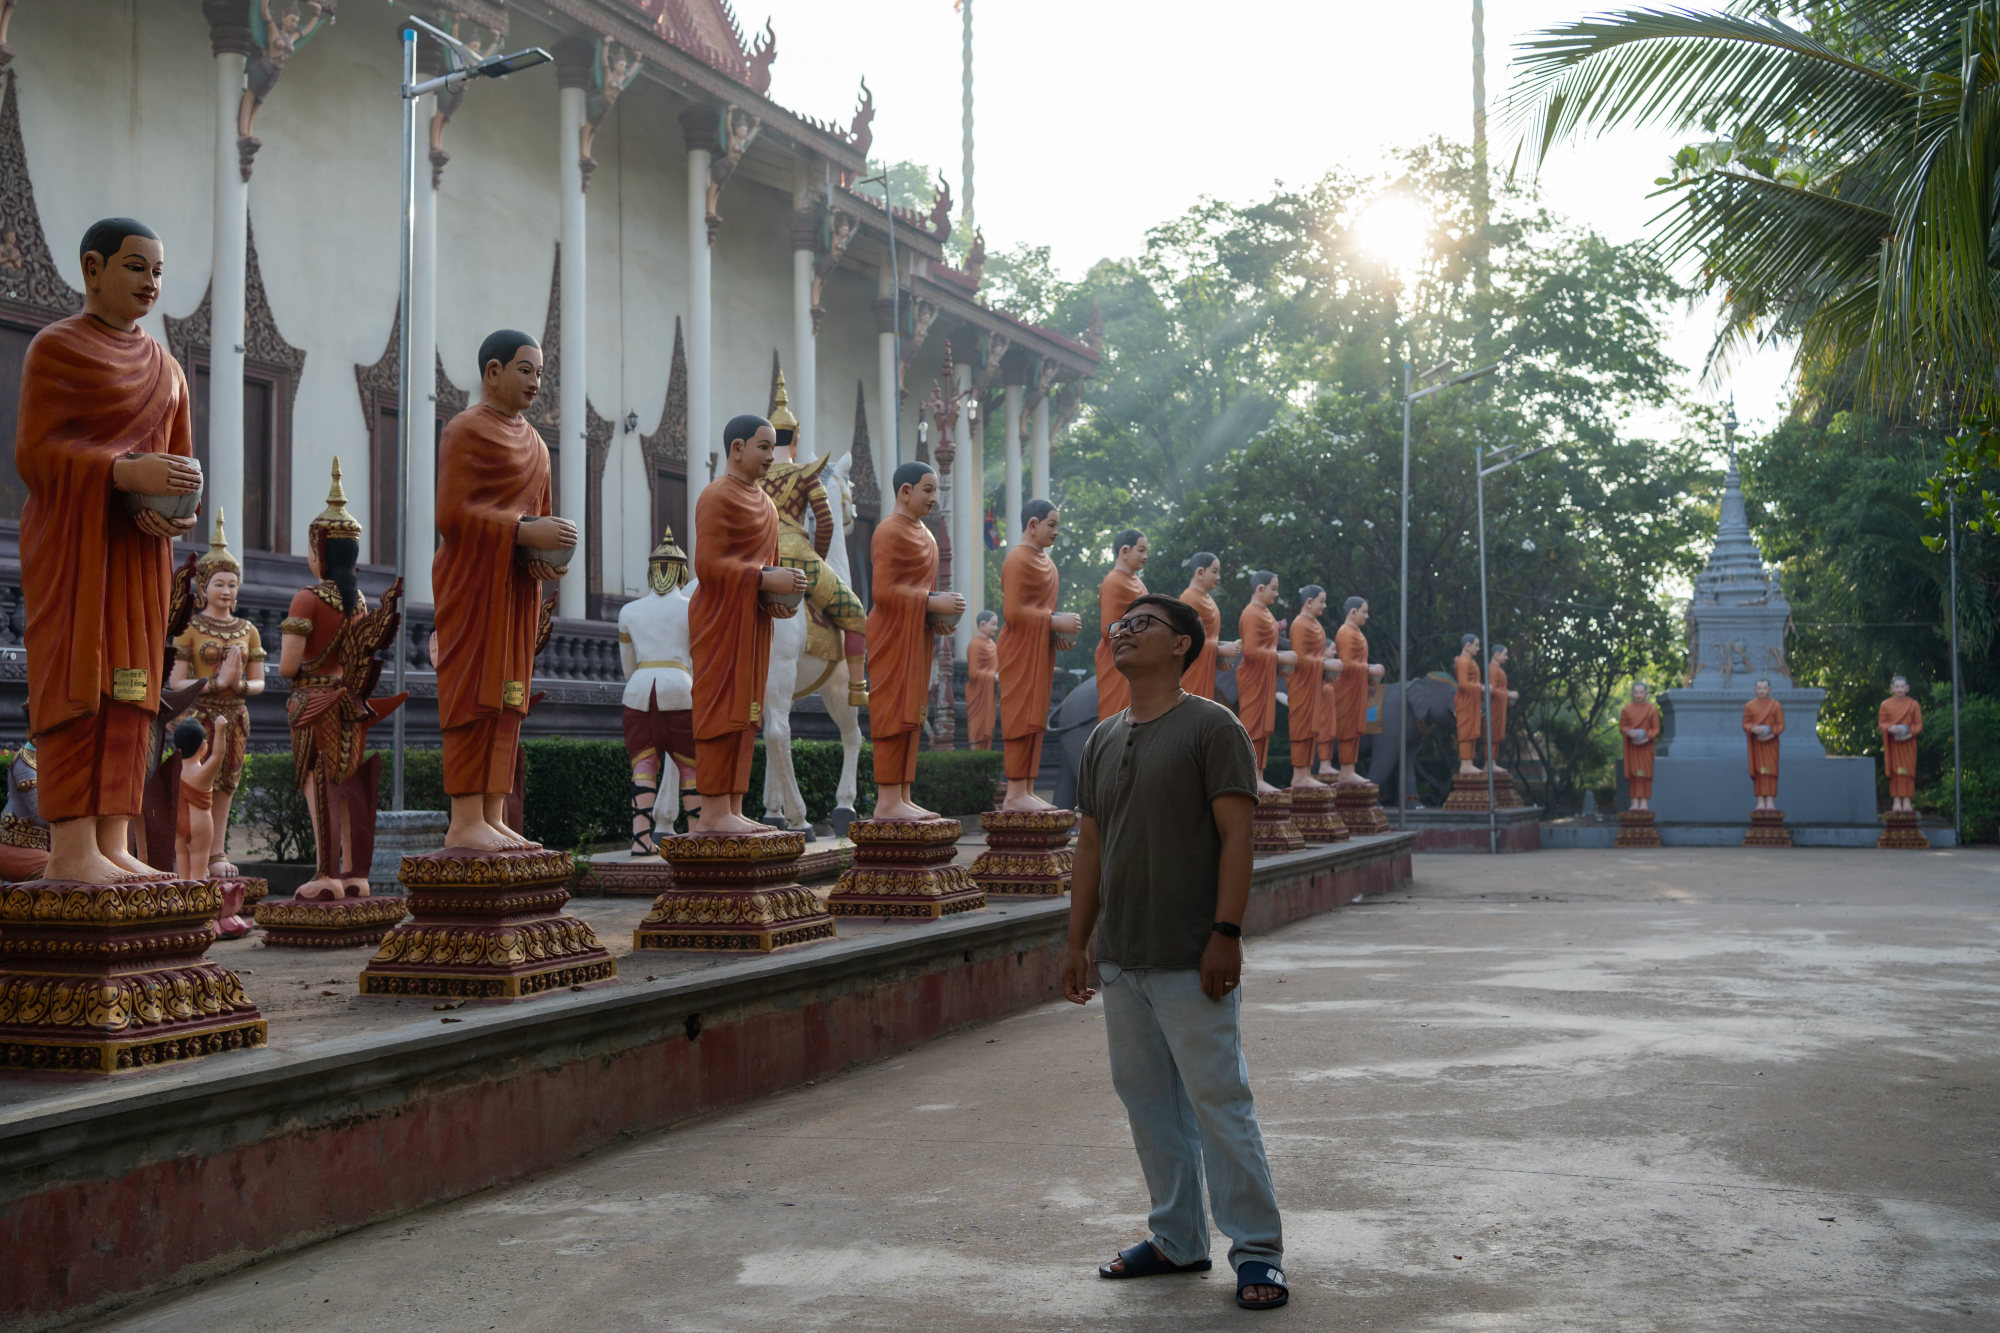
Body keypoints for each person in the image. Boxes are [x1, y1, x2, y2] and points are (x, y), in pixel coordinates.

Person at [1061, 592, 1287, 1312]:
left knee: (1219, 1099)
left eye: (1143, 624)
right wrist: (1077, 941)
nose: (1124, 632)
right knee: (1148, 1101)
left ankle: (1256, 1251)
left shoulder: (1213, 727)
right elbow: (1091, 846)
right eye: (1119, 626)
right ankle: (1178, 1237)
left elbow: (1237, 838)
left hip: (1193, 953)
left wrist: (1227, 933)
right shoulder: (1102, 737)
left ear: (1183, 645)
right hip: (1124, 957)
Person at [20, 217, 199, 883]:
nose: (150, 282)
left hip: (138, 558)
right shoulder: (56, 350)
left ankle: (114, 839)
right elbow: (35, 456)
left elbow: (176, 462)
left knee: (133, 690)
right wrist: (121, 472)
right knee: (81, 683)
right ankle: (71, 846)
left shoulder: (167, 368)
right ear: (92, 268)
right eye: (135, 267)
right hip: (75, 552)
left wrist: (175, 503)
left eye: (157, 270)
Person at [434, 329, 574, 852]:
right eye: (525, 370)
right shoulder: (465, 431)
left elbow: (539, 515)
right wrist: (519, 529)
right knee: (474, 694)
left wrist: (550, 548)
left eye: (540, 372)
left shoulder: (537, 444)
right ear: (493, 372)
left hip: (516, 589)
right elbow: (451, 515)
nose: (536, 382)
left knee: (510, 697)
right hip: (473, 585)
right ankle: (465, 817)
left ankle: (493, 811)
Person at [690, 413, 808, 834]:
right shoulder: (716, 496)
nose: (772, 457)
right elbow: (708, 565)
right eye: (763, 447)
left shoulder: (768, 505)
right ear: (737, 448)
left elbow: (771, 564)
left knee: (748, 712)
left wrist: (783, 594)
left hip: (754, 622)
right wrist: (761, 578)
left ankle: (734, 805)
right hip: (720, 620)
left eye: (774, 448)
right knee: (719, 710)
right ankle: (713, 810)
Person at [169, 511, 265, 876]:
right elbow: (177, 682)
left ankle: (217, 853)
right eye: (220, 584)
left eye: (232, 585)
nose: (227, 592)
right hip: (197, 716)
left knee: (226, 782)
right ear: (203, 588)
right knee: (193, 782)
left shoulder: (248, 629)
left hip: (235, 715)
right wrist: (214, 684)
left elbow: (259, 682)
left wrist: (238, 686)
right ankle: (188, 853)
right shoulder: (190, 628)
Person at [760, 375, 867, 704]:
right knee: (856, 614)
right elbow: (826, 521)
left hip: (761, 559)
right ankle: (857, 687)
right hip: (799, 555)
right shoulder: (806, 473)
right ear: (795, 440)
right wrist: (817, 557)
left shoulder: (756, 478)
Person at [867, 461, 964, 819]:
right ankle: (887, 799)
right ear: (905, 491)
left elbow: (925, 591)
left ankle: (903, 794)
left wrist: (940, 616)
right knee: (892, 714)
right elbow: (884, 592)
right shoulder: (888, 531)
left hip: (916, 637)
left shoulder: (928, 536)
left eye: (935, 491)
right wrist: (928, 601)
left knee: (912, 715)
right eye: (928, 489)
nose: (934, 498)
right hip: (892, 636)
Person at [997, 499, 1082, 810]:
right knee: (1020, 718)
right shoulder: (1018, 560)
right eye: (1051, 525)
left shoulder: (1047, 563)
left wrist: (1059, 635)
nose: (1056, 532)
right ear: (1032, 525)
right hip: (1019, 651)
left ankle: (1027, 788)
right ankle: (1015, 792)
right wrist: (1052, 621)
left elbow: (1045, 611)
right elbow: (1014, 612)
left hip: (1039, 651)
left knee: (1035, 719)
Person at [618, 527, 696, 853]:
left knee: (644, 765)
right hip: (680, 688)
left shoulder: (629, 612)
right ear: (681, 571)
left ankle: (640, 838)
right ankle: (696, 834)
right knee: (692, 766)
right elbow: (695, 657)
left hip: (637, 691)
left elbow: (628, 665)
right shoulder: (692, 607)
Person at [1235, 572, 1294, 787]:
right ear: (1260, 589)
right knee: (1253, 726)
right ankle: (1249, 776)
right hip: (1253, 679)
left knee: (1264, 727)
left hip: (1265, 677)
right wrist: (1279, 657)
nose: (1276, 594)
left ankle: (1258, 775)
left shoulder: (1265, 613)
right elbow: (1251, 651)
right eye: (1274, 588)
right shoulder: (1251, 613)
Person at [1095, 528, 1148, 721]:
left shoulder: (1140, 585)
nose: (1145, 556)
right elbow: (1109, 628)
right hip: (1117, 660)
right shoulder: (1113, 581)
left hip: (1138, 660)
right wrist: (1141, 631)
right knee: (1117, 719)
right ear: (1125, 551)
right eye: (1141, 550)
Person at [1331, 598, 1383, 784]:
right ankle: (1346, 770)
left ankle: (1349, 768)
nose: (1367, 616)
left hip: (1357, 688)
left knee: (1355, 728)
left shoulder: (1356, 632)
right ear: (1353, 612)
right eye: (1364, 611)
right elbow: (1347, 664)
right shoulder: (1345, 633)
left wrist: (1369, 672)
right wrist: (1369, 669)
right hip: (1347, 689)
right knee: (1348, 728)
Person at [172, 717, 228, 882]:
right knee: (199, 871)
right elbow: (218, 756)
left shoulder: (174, 771)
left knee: (182, 861)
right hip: (200, 824)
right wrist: (219, 731)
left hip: (178, 822)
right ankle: (198, 897)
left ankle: (184, 897)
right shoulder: (201, 774)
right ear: (202, 746)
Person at [1176, 552, 1239, 700]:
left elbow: (1208, 637)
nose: (1218, 577)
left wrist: (1220, 656)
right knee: (1191, 711)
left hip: (1206, 669)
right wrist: (1220, 649)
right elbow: (1187, 641)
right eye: (1215, 572)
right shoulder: (1189, 598)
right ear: (1200, 572)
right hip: (1191, 671)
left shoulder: (1207, 599)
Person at [1287, 586, 1331, 789]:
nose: (1324, 605)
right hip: (1301, 684)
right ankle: (1299, 773)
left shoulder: (1316, 625)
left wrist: (1324, 663)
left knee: (1313, 728)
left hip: (1314, 684)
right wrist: (1324, 664)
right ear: (1309, 602)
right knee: (1301, 727)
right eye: (1321, 601)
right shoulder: (1299, 625)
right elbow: (1301, 659)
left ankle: (1306, 771)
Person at [1878, 675, 1923, 815]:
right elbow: (1882, 723)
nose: (1899, 689)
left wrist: (1909, 733)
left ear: (1907, 688)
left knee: (1908, 772)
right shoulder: (1885, 705)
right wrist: (1891, 728)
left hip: (1908, 744)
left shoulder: (1913, 704)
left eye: (1902, 687)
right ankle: (1897, 800)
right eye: (1896, 687)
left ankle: (1908, 801)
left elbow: (1918, 724)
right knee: (1896, 772)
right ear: (1891, 688)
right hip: (1894, 744)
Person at [1743, 678, 1784, 812]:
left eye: (1764, 688)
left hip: (1770, 745)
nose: (1762, 691)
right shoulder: (1750, 706)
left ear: (1769, 690)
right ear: (1755, 690)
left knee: (1770, 771)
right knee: (1760, 772)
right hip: (1758, 745)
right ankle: (1760, 800)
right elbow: (1746, 724)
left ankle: (1770, 801)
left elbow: (1780, 725)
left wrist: (1771, 734)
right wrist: (1754, 729)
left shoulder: (1775, 705)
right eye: (1759, 688)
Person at [1619, 682, 1661, 811]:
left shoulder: (1652, 709)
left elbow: (1656, 728)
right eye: (1636, 692)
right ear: (1632, 693)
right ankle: (1634, 803)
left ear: (1646, 694)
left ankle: (1644, 803)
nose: (1638, 695)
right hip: (1633, 748)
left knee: (1645, 774)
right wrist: (1629, 732)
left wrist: (1647, 737)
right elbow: (1623, 726)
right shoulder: (1626, 710)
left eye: (1641, 692)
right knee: (1634, 775)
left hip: (1645, 748)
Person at [966, 609, 999, 750]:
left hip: (989, 695)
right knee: (977, 734)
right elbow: (973, 674)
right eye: (993, 624)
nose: (996, 628)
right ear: (982, 624)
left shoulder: (993, 645)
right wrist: (993, 677)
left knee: (988, 735)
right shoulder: (974, 645)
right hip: (978, 694)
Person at [1454, 634, 1486, 775]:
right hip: (1465, 701)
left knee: (1472, 732)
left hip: (1472, 701)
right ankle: (1465, 764)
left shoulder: (1469, 661)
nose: (1478, 649)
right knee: (1466, 732)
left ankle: (1469, 762)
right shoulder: (1462, 661)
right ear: (1467, 645)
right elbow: (1463, 684)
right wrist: (1481, 687)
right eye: (1476, 645)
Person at [1487, 643, 1518, 772]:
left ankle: (1492, 762)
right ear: (1496, 655)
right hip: (1493, 707)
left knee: (1497, 734)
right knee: (1492, 734)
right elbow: (1491, 690)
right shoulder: (1492, 669)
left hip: (1499, 706)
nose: (1506, 657)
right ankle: (1490, 762)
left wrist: (1508, 698)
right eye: (1505, 654)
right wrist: (1508, 693)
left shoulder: (1498, 669)